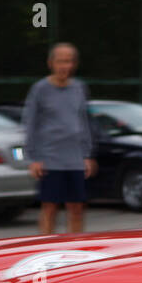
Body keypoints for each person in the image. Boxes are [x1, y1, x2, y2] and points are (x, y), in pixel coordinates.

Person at [22, 41, 96, 234]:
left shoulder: (80, 88)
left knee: (77, 207)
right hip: (50, 159)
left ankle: (76, 250)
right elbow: (30, 124)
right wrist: (34, 158)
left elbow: (84, 121)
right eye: (62, 61)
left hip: (75, 159)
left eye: (70, 61)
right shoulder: (40, 89)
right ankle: (44, 249)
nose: (66, 66)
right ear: (51, 63)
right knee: (50, 207)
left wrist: (87, 155)